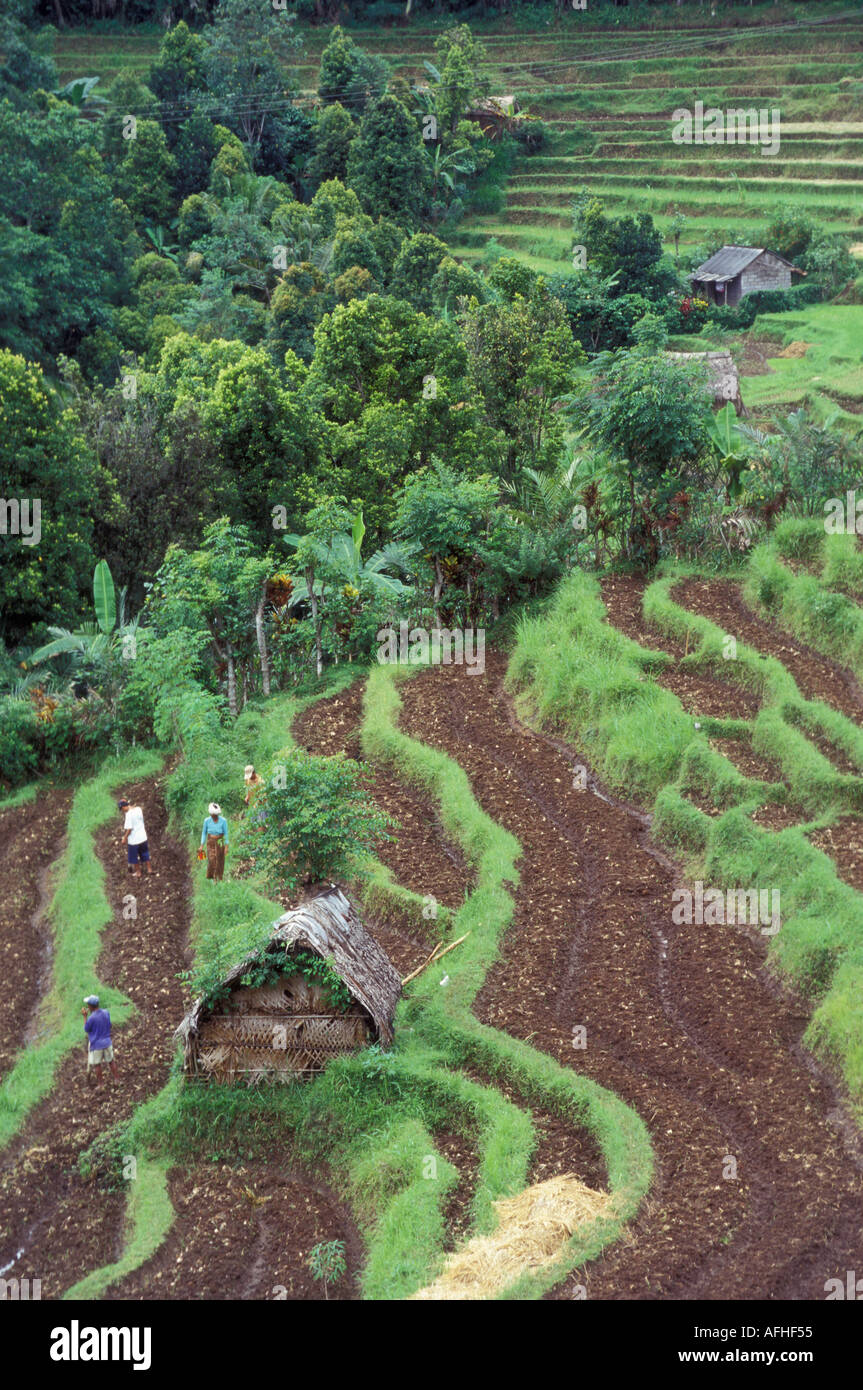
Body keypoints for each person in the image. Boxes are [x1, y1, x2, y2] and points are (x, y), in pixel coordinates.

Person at [82, 995, 119, 1087]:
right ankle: (117, 1079)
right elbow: (109, 1025)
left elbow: (86, 1029)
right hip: (107, 1042)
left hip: (96, 1045)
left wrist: (85, 1017)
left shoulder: (91, 1018)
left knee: (97, 1065)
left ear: (91, 1006)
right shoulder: (106, 1012)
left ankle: (101, 1084)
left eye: (88, 1005)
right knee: (111, 1061)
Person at [119, 796, 151, 878]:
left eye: (122, 809)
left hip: (134, 841)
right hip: (143, 837)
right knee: (145, 853)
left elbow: (129, 829)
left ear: (123, 807)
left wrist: (124, 838)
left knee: (133, 857)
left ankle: (138, 872)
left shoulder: (128, 815)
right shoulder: (138, 809)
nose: (122, 811)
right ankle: (149, 869)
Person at [201, 801, 229, 881]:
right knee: (212, 859)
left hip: (220, 841)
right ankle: (213, 876)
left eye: (215, 815)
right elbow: (204, 833)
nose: (214, 817)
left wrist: (226, 846)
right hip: (210, 842)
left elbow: (226, 833)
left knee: (220, 860)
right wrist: (201, 845)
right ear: (210, 814)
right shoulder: (206, 821)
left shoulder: (223, 821)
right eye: (213, 815)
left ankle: (218, 878)